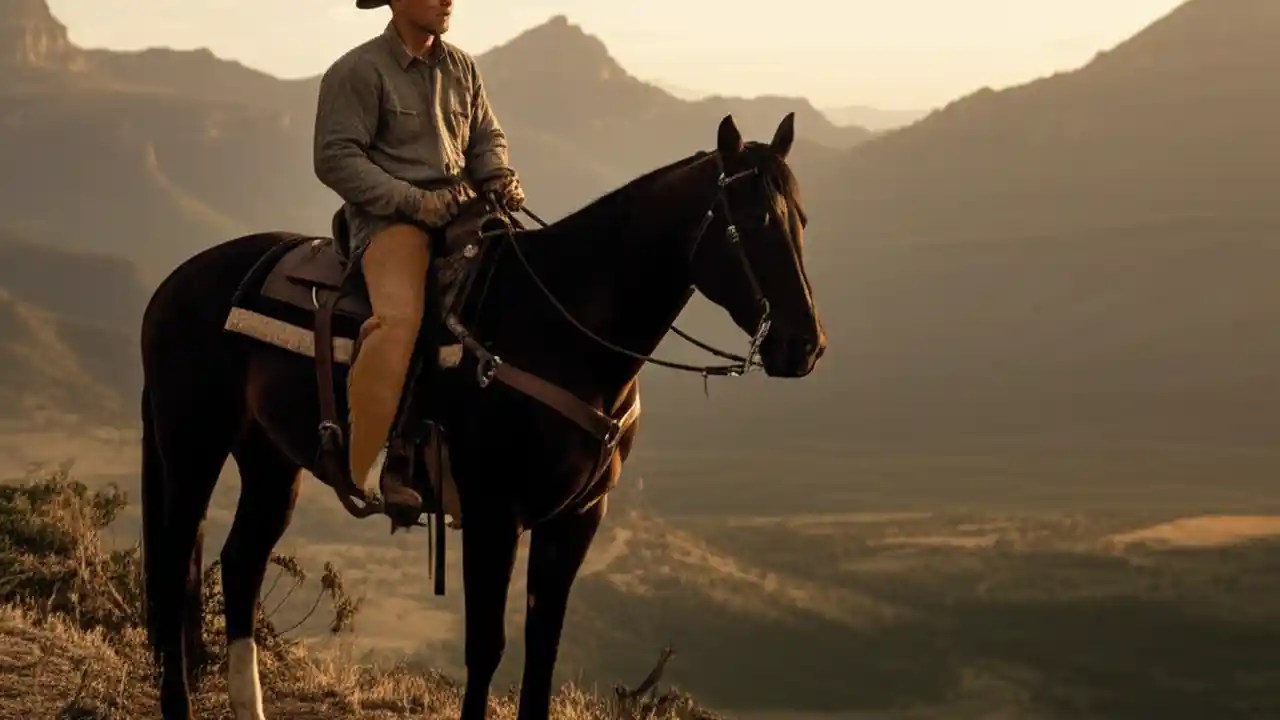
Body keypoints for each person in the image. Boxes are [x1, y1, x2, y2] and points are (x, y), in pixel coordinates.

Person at [313, 0, 525, 520]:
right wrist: (413, 201)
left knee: (522, 292)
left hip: (463, 213)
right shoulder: (358, 71)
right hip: (391, 222)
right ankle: (380, 460)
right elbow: (336, 157)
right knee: (401, 320)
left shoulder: (462, 68)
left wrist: (497, 174)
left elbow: (484, 139)